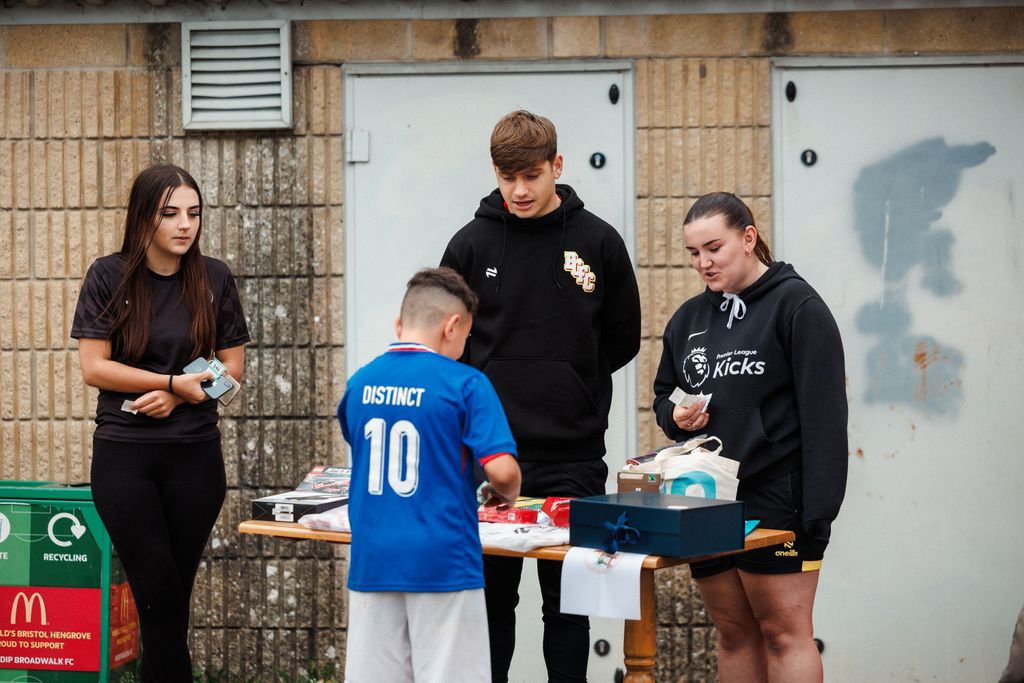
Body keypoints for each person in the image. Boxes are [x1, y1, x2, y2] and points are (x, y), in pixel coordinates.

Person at [440, 110, 642, 682]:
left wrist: (569, 380)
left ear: (557, 165)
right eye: (507, 178)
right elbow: (443, 341)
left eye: (530, 175)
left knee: (568, 611)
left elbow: (624, 336)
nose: (519, 190)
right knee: (491, 606)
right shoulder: (471, 244)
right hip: (487, 458)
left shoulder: (598, 240)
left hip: (573, 458)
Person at [652, 191, 847, 683]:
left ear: (748, 238)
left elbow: (825, 416)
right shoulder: (690, 319)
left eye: (713, 248)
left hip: (778, 496)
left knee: (784, 634)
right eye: (693, 253)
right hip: (706, 498)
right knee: (734, 633)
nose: (703, 262)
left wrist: (817, 514)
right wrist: (678, 418)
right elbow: (664, 395)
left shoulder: (797, 305)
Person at [71, 164, 249, 681]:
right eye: (170, 213)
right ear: (144, 216)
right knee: (158, 590)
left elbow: (232, 370)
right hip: (125, 456)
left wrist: (178, 395)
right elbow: (94, 367)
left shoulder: (214, 278)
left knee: (170, 599)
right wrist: (171, 383)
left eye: (193, 213)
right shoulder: (109, 275)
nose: (184, 224)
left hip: (195, 456)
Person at [337, 267, 522, 683]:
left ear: (399, 324)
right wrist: (504, 492)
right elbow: (503, 469)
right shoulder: (465, 384)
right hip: (443, 559)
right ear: (452, 327)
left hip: (373, 558)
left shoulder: (360, 382)